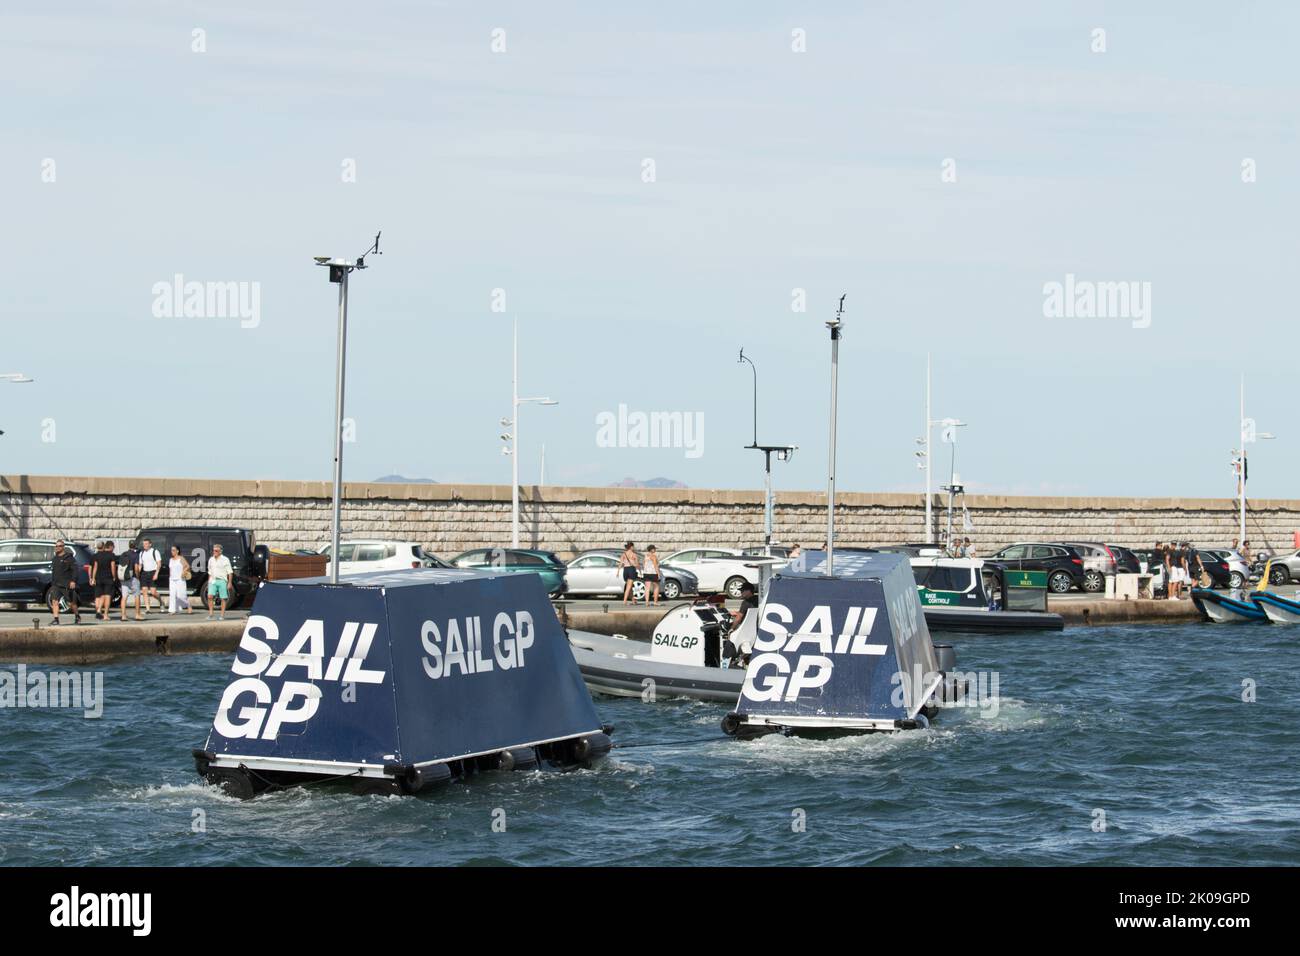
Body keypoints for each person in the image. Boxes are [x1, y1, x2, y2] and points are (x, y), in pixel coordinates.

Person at [48, 539, 80, 625]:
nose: (57, 547)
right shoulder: (54, 559)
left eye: (59, 546)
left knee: (71, 603)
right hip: (56, 584)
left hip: (66, 584)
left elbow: (75, 570)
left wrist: (73, 581)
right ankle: (56, 619)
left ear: (63, 547)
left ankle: (77, 616)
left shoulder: (69, 558)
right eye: (56, 546)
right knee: (54, 601)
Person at [90, 540, 117, 620]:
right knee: (108, 596)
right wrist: (114, 576)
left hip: (98, 578)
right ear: (104, 546)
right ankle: (105, 615)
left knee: (100, 595)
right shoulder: (111, 555)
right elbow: (113, 567)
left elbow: (95, 567)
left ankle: (98, 610)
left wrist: (93, 578)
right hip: (108, 578)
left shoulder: (96, 556)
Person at [206, 542, 234, 619]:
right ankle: (211, 614)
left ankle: (222, 615)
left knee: (223, 598)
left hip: (222, 580)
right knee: (210, 596)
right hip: (213, 580)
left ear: (220, 551)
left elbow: (230, 572)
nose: (214, 552)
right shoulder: (211, 559)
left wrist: (229, 583)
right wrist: (209, 582)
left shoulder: (225, 559)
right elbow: (209, 571)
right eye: (214, 550)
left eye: (216, 551)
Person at [117, 539, 142, 620]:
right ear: (135, 546)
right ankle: (137, 614)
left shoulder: (123, 554)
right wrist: (138, 577)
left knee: (124, 597)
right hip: (133, 577)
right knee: (137, 595)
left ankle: (123, 616)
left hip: (123, 578)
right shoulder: (136, 555)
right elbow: (136, 568)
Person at [137, 537, 162, 614]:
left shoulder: (155, 551)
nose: (144, 545)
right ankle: (148, 609)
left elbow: (159, 563)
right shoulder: (141, 553)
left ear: (150, 544)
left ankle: (161, 601)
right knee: (144, 591)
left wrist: (156, 574)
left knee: (153, 592)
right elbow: (140, 565)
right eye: (143, 544)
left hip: (153, 572)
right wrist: (137, 573)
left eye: (146, 544)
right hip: (144, 573)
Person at [168, 545, 193, 614]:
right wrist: (170, 578)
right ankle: (172, 610)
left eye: (173, 550)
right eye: (171, 550)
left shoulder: (181, 558)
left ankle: (188, 605)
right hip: (172, 580)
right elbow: (170, 570)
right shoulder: (170, 559)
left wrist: (183, 571)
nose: (172, 552)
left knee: (181, 595)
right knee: (172, 595)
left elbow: (188, 566)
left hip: (180, 579)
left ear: (177, 551)